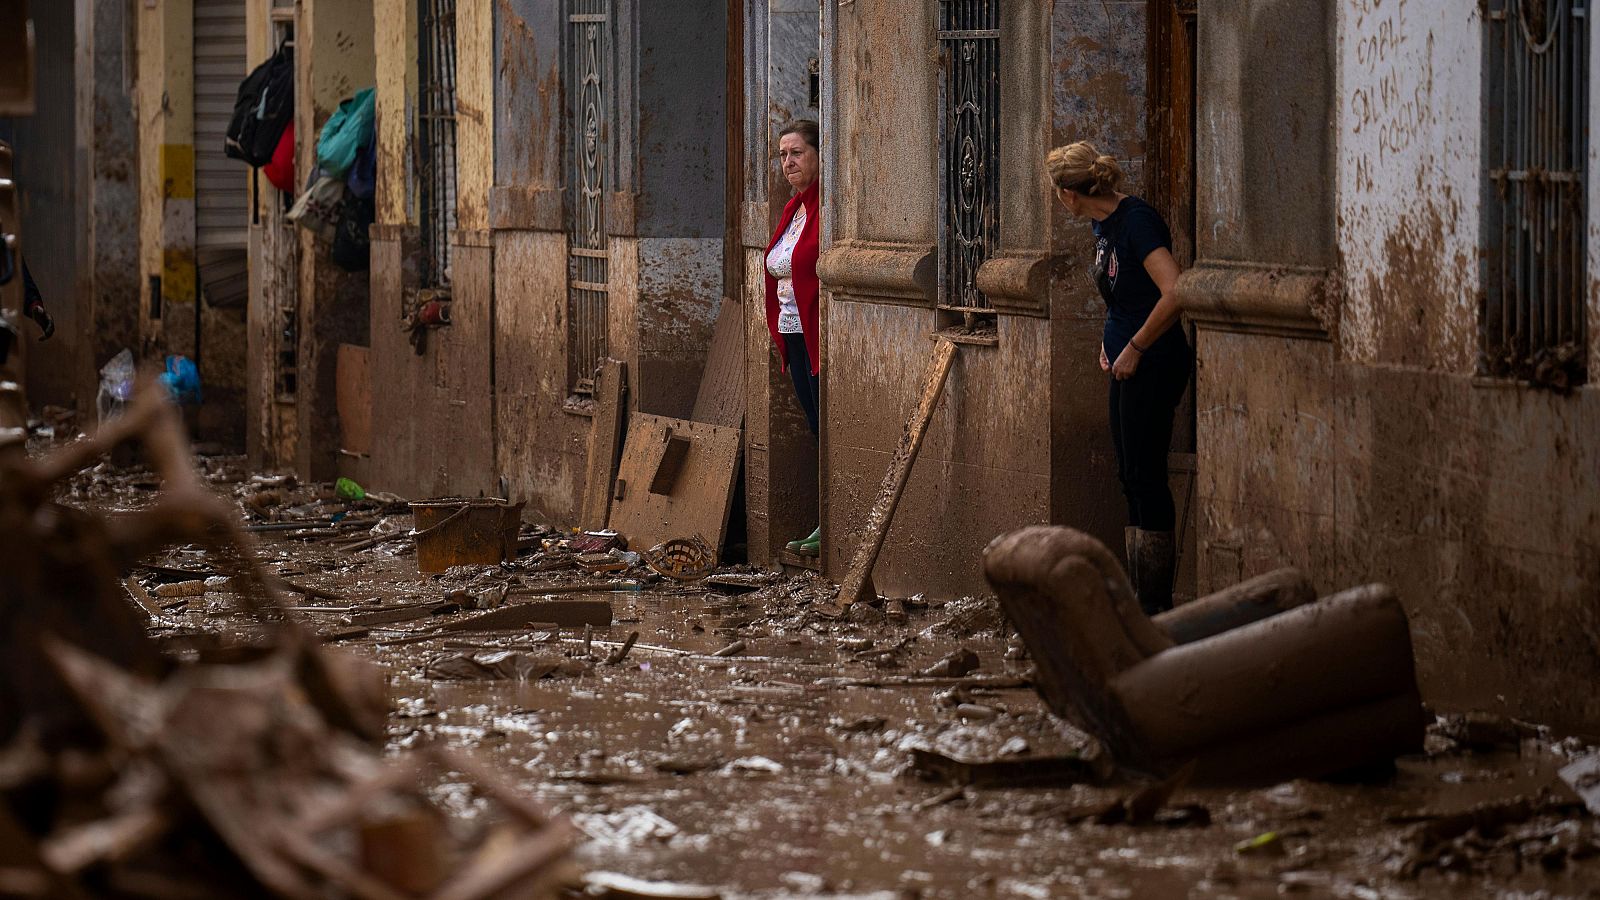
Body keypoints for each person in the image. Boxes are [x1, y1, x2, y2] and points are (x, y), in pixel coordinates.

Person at [1047, 141, 1191, 614]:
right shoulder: (1102, 225)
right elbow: (1124, 294)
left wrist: (1135, 346)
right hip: (1127, 361)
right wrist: (1110, 342)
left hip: (1153, 361)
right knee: (1130, 474)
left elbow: (1175, 291)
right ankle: (1140, 599)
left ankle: (1155, 607)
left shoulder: (1136, 221)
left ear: (1069, 194)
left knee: (1146, 476)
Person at [764, 119, 822, 557]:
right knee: (813, 427)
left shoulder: (824, 208)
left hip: (816, 334)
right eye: (783, 155)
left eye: (797, 153)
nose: (788, 163)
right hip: (793, 334)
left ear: (820, 156)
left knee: (824, 425)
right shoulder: (793, 209)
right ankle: (824, 519)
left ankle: (829, 523)